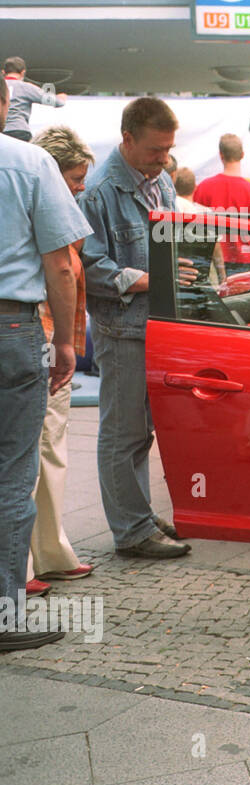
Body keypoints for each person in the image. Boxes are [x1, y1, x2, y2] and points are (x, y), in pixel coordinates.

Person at [79, 97, 194, 559]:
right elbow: (88, 267)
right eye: (155, 150)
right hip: (122, 330)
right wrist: (152, 280)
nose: (164, 159)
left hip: (154, 327)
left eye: (168, 149)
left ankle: (139, 515)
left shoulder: (160, 181)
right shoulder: (99, 192)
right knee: (122, 431)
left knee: (142, 431)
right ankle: (131, 529)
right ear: (127, 139)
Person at [0, 75, 85, 651]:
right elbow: (61, 264)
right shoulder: (27, 163)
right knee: (11, 477)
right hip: (11, 328)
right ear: (5, 104)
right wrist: (67, 340)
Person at [25, 128, 97, 594]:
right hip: (45, 343)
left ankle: (46, 553)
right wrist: (66, 348)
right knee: (36, 453)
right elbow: (63, 271)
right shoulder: (47, 211)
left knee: (42, 452)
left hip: (39, 341)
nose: (81, 187)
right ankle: (32, 562)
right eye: (75, 177)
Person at [193, 133, 250, 271]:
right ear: (242, 155)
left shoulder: (204, 187)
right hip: (245, 262)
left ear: (221, 155)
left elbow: (197, 229)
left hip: (211, 263)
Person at [3, 57, 67, 142]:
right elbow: (57, 102)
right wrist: (60, 98)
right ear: (23, 72)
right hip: (19, 132)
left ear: (3, 72)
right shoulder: (26, 87)